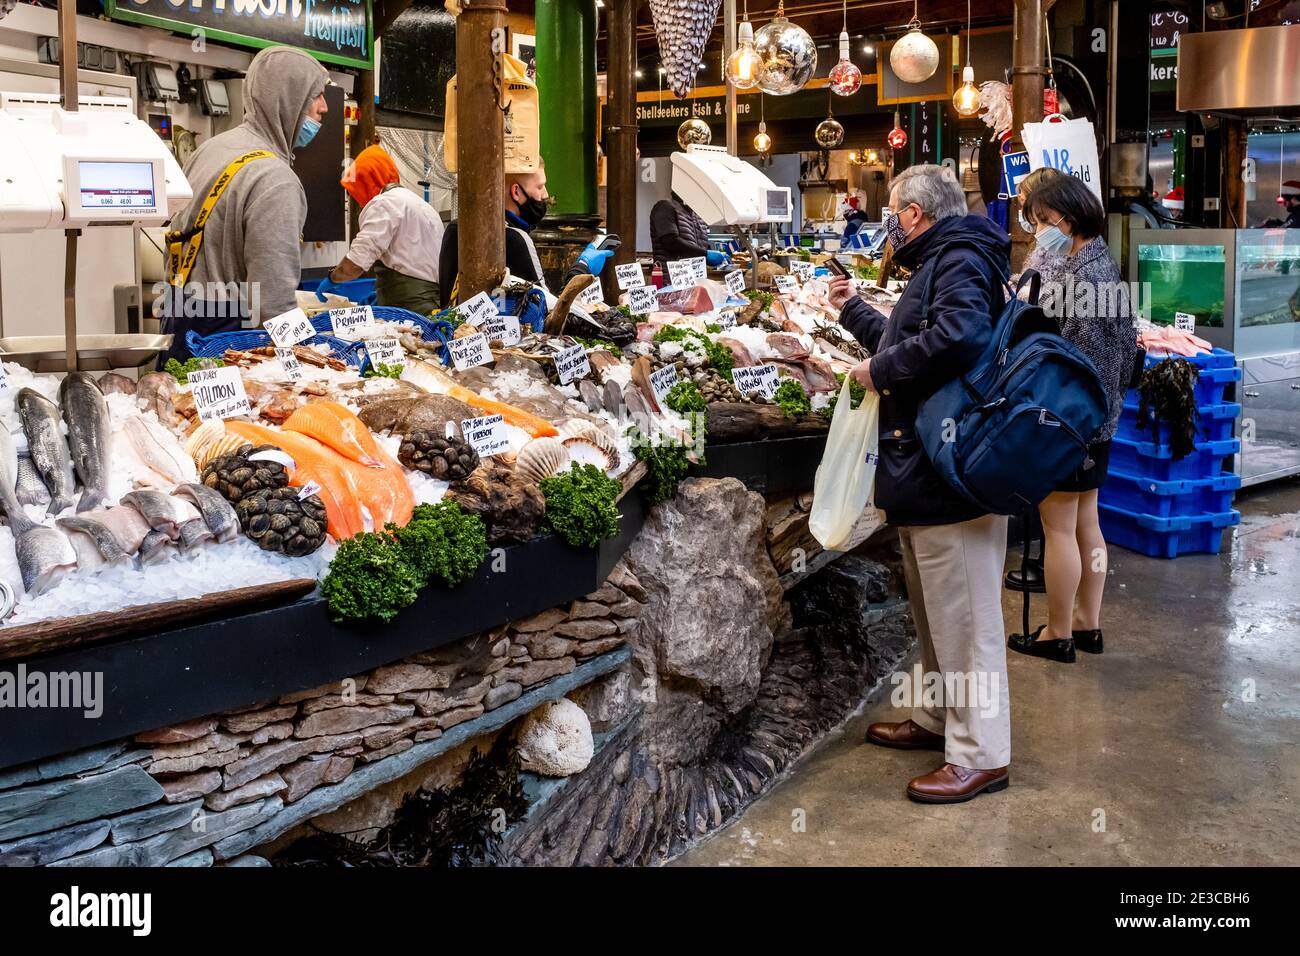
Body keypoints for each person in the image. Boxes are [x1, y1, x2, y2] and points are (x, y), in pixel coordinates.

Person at [825, 165, 1012, 804]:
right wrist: (853, 312)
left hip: (952, 468)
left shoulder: (959, 256)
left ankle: (980, 753)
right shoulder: (945, 259)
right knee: (939, 613)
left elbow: (960, 338)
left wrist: (879, 372)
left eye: (896, 213)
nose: (892, 226)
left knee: (967, 619)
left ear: (914, 213)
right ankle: (939, 720)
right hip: (930, 465)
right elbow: (918, 339)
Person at [1007, 175, 1138, 664]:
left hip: (1070, 423)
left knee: (1057, 527)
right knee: (1087, 524)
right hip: (1100, 422)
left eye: (1043, 220)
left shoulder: (1083, 280)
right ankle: (1087, 622)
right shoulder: (1101, 262)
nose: (1040, 229)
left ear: (1069, 216)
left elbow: (1064, 355)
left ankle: (1056, 633)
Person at [159, 46, 329, 363]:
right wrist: (316, 361)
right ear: (288, 98)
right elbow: (273, 303)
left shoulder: (210, 150)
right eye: (315, 95)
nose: (324, 108)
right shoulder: (275, 178)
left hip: (179, 316)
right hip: (228, 339)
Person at [438, 158, 616, 306]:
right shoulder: (515, 238)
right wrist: (581, 268)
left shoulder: (454, 229)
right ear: (516, 192)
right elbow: (548, 311)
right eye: (540, 187)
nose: (545, 195)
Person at [318, 145, 444, 315]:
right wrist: (381, 294)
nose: (359, 201)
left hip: (410, 303)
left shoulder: (384, 203)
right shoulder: (419, 204)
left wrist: (332, 278)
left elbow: (356, 263)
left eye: (358, 190)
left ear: (369, 182)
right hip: (431, 298)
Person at [650, 191, 728, 271]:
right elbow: (670, 241)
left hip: (694, 275)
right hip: (672, 276)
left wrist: (709, 255)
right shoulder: (664, 207)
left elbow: (699, 245)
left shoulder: (697, 214)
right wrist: (705, 254)